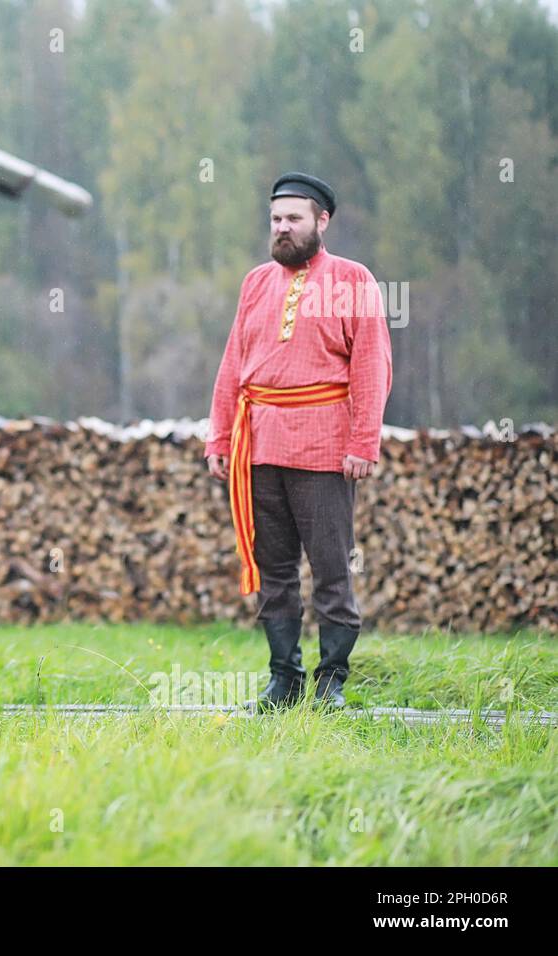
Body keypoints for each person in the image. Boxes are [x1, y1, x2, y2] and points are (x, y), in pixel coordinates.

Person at [203, 172, 393, 712]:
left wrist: (364, 440)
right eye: (275, 220)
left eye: (293, 219)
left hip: (324, 446)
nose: (282, 229)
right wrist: (219, 434)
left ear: (321, 221)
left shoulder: (353, 280)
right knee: (275, 569)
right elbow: (233, 365)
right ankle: (283, 679)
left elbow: (371, 365)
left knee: (332, 569)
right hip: (257, 445)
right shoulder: (256, 282)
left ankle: (331, 681)